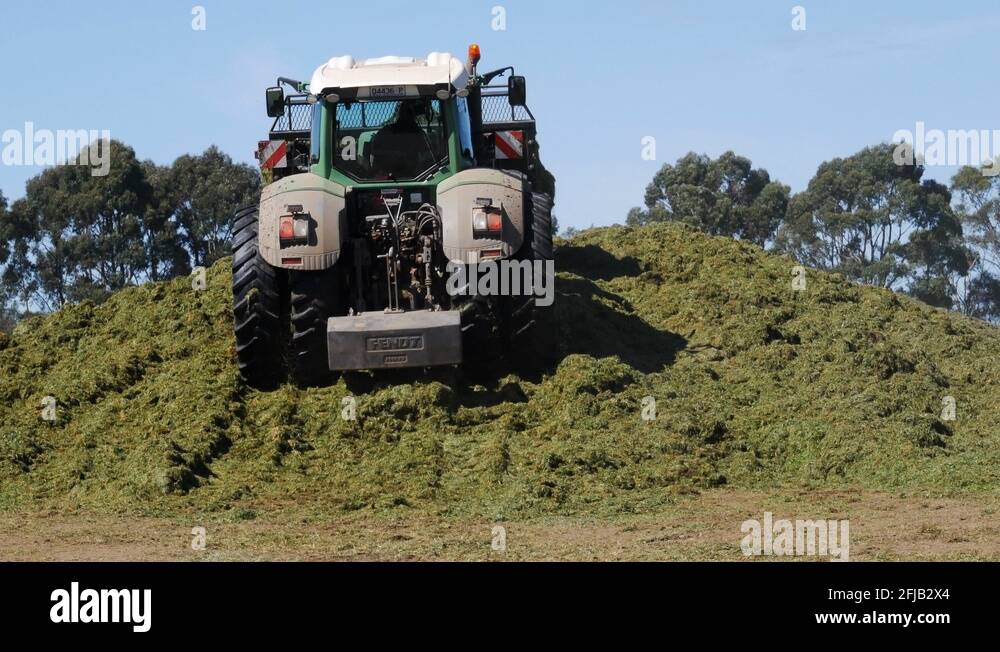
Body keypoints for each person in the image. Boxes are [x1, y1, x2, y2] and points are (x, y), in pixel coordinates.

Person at [370, 100, 435, 179]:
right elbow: (375, 158)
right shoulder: (419, 134)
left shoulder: (384, 131)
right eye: (408, 112)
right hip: (389, 177)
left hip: (416, 177)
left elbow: (428, 160)